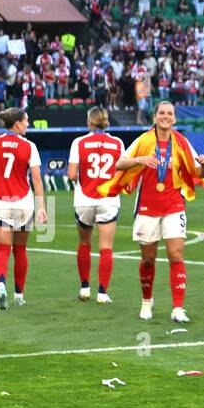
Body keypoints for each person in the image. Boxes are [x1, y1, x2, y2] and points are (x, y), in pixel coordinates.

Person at [104, 100, 200, 323]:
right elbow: (119, 164)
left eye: (170, 113)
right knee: (148, 259)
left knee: (176, 255)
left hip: (174, 205)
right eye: (162, 113)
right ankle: (147, 301)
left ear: (174, 118)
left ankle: (178, 308)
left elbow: (196, 168)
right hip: (147, 206)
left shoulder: (182, 142)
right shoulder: (144, 140)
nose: (166, 116)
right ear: (155, 116)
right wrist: (140, 159)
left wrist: (202, 164)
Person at [0, 107, 47, 310]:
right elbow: (36, 179)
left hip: (0, 203)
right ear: (17, 124)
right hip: (24, 203)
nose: (28, 124)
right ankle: (19, 295)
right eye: (26, 121)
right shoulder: (29, 146)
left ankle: (1, 284)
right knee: (20, 250)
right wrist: (42, 206)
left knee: (2, 250)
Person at [67, 106, 125, 303]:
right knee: (106, 248)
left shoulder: (79, 142)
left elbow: (71, 175)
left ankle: (84, 288)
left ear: (90, 122)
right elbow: (121, 171)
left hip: (84, 199)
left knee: (84, 243)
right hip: (108, 199)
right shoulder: (117, 142)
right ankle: (102, 292)